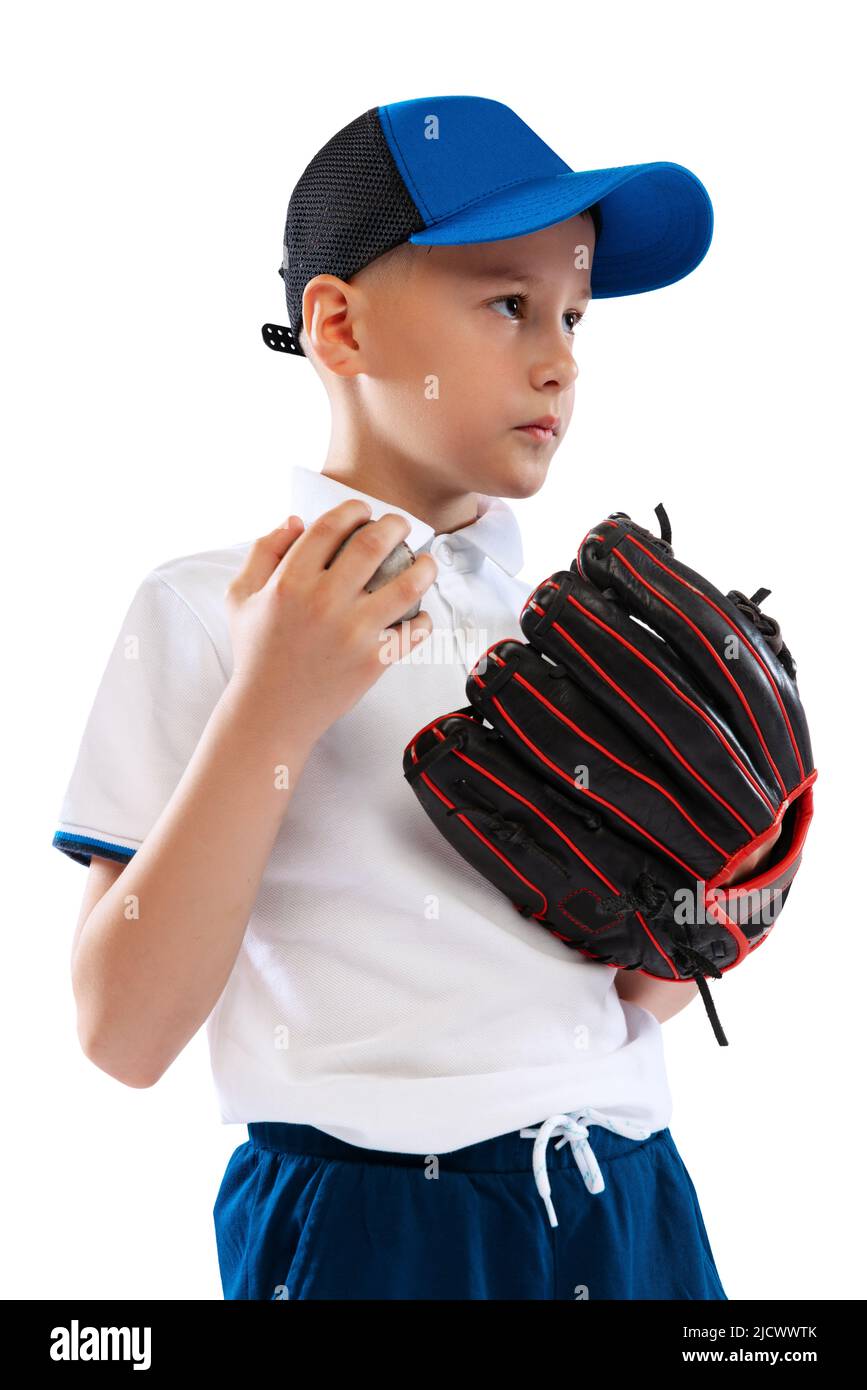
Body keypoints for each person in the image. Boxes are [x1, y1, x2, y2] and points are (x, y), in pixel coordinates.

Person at [54, 94, 749, 1299]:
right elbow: (124, 1033)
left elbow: (626, 989)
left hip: (627, 1195)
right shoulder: (211, 608)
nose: (561, 360)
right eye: (507, 304)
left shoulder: (583, 631)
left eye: (575, 316)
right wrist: (274, 704)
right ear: (339, 325)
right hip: (376, 1221)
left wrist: (725, 895)